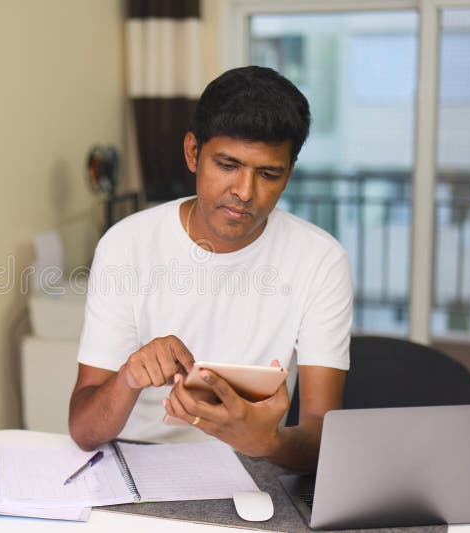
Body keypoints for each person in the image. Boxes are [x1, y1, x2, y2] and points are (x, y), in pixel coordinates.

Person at [68, 66, 352, 471]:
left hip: (253, 467)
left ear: (288, 175)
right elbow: (83, 430)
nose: (244, 192)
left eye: (268, 174)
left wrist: (267, 443)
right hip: (135, 462)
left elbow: (323, 434)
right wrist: (128, 377)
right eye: (227, 165)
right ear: (193, 153)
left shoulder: (321, 261)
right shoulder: (125, 245)